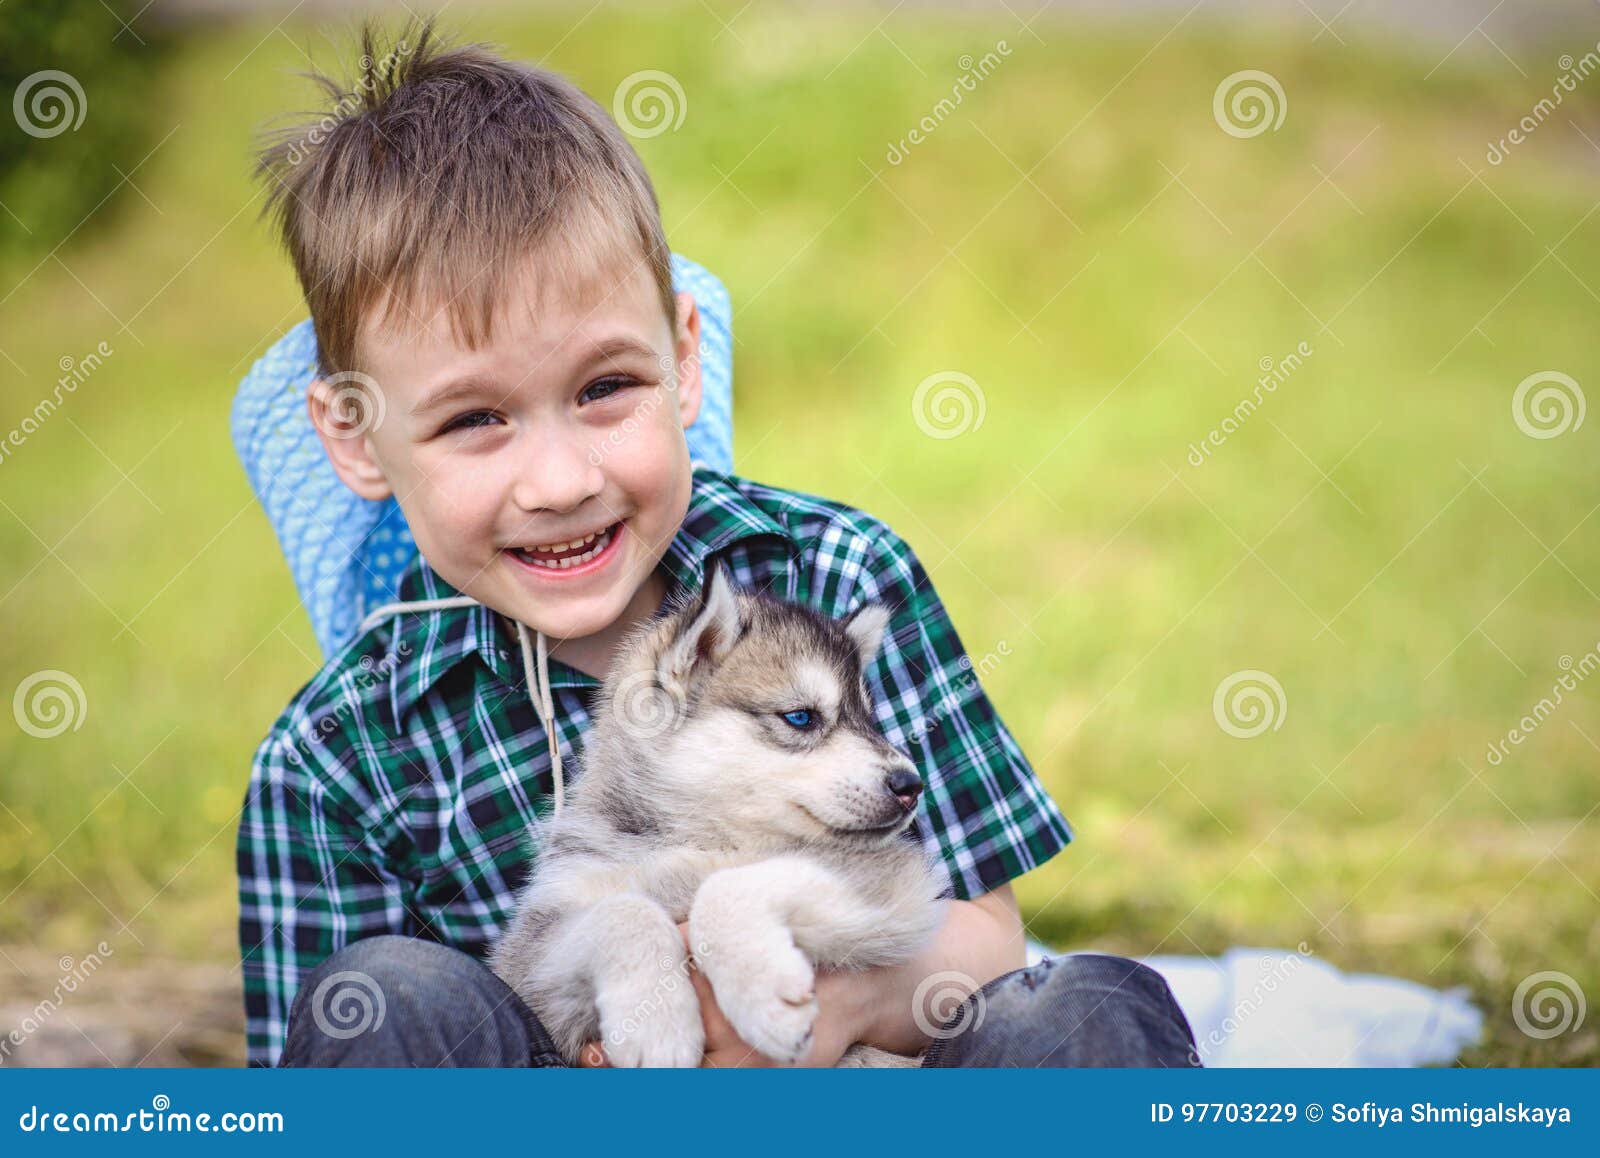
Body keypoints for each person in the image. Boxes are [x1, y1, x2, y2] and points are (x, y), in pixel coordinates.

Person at [238, 20, 1199, 1070]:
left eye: (605, 389)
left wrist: (833, 1008)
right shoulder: (337, 757)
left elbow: (984, 940)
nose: (561, 483)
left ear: (683, 360)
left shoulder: (833, 578)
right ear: (355, 434)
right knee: (385, 993)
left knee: (1084, 1006)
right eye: (475, 419)